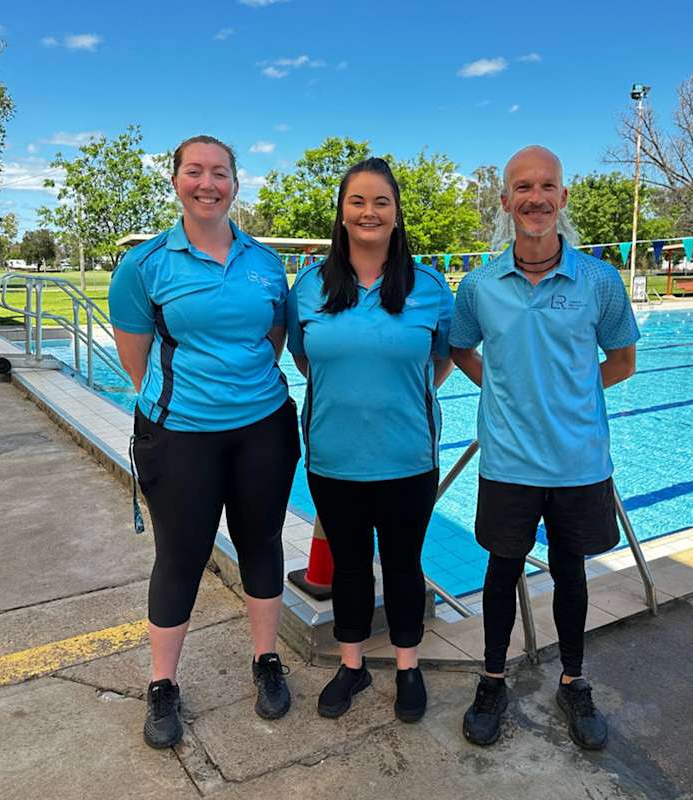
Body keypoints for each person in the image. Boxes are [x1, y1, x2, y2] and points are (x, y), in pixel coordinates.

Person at [108, 135, 300, 749]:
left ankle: (266, 660)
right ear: (176, 181)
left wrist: (236, 397)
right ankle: (163, 684)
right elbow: (136, 364)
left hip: (262, 428)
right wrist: (192, 404)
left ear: (235, 184)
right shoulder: (144, 266)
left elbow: (269, 342)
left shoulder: (266, 263)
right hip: (180, 435)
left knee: (261, 543)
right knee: (181, 556)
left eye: (220, 173)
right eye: (195, 171)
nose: (208, 183)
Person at [449, 145, 639, 750]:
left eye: (547, 186)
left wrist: (568, 395)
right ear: (505, 202)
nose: (535, 198)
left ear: (562, 197)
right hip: (508, 460)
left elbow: (623, 361)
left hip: (578, 460)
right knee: (502, 570)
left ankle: (575, 681)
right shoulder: (479, 285)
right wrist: (505, 392)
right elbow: (460, 349)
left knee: (570, 571)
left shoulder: (599, 281)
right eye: (522, 188)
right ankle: (492, 679)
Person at [286, 157, 454, 723]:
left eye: (381, 201)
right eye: (357, 200)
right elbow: (304, 357)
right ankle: (352, 665)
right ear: (341, 211)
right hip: (334, 456)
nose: (369, 212)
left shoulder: (428, 288)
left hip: (408, 456)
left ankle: (409, 667)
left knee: (405, 564)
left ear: (397, 214)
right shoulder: (309, 287)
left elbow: (444, 356)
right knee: (351, 568)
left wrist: (397, 393)